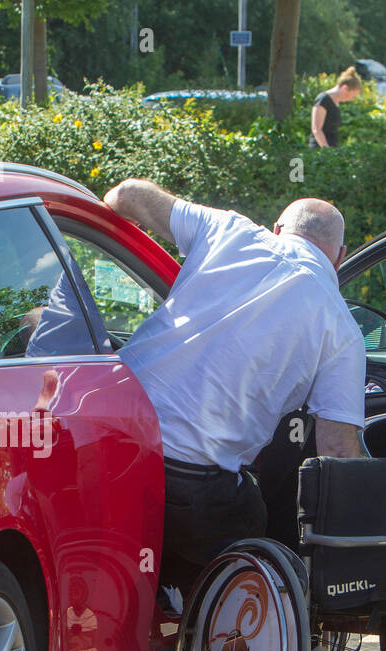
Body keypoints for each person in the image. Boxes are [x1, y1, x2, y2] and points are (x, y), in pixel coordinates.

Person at [102, 178, 368, 612]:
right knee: (249, 519)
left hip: (106, 436)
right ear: (339, 258)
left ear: (279, 227)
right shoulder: (342, 331)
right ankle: (205, 624)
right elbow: (337, 449)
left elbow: (126, 196)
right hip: (191, 480)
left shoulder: (230, 229)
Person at [309, 66, 363, 148]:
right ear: (345, 88)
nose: (352, 99)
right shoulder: (323, 100)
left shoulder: (336, 103)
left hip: (332, 150)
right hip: (320, 151)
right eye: (353, 96)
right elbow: (316, 130)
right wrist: (327, 151)